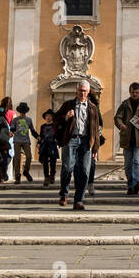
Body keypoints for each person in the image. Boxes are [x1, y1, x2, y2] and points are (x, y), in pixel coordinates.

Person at [54, 82, 100, 210]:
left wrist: (95, 147)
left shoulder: (92, 108)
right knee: (67, 167)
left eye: (85, 91)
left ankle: (78, 200)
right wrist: (66, 117)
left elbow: (95, 129)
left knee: (85, 171)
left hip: (86, 141)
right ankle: (64, 194)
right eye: (80, 90)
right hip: (71, 139)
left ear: (89, 91)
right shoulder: (68, 105)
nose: (82, 93)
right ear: (76, 90)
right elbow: (56, 118)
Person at [10, 102, 38, 183]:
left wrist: (37, 136)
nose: (22, 112)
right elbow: (12, 128)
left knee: (29, 157)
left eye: (24, 111)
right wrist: (11, 132)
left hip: (26, 140)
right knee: (17, 158)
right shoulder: (15, 120)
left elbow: (32, 130)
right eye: (21, 111)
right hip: (17, 140)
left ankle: (26, 171)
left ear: (26, 111)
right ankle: (17, 176)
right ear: (19, 111)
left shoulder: (29, 120)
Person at [37, 108, 59, 187]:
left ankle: (52, 176)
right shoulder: (43, 126)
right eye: (47, 116)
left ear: (52, 117)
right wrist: (39, 143)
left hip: (52, 145)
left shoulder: (55, 125)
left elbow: (58, 134)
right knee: (45, 162)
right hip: (44, 145)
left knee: (53, 162)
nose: (48, 117)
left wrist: (57, 140)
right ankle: (46, 177)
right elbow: (41, 136)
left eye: (50, 116)